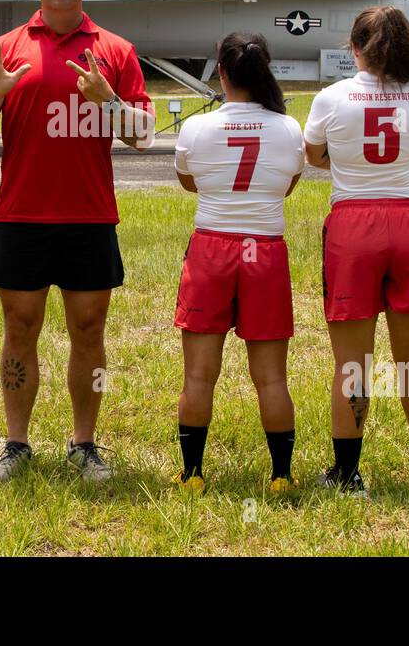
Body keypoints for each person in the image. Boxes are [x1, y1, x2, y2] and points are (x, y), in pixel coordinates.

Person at [0, 0, 155, 483]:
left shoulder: (115, 49)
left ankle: (84, 444)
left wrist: (109, 101)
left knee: (89, 330)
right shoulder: (5, 48)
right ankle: (16, 445)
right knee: (19, 328)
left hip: (89, 216)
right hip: (21, 215)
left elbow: (143, 136)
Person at [303, 5, 409, 495]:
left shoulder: (331, 97)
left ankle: (347, 474)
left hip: (353, 226)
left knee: (351, 362)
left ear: (355, 48)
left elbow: (315, 155)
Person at [171, 33, 305, 495]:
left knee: (199, 374)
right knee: (270, 377)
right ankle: (281, 476)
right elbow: (286, 187)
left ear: (222, 73)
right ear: (265, 70)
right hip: (264, 249)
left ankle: (192, 475)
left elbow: (189, 183)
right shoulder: (289, 129)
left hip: (212, 248)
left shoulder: (197, 129)